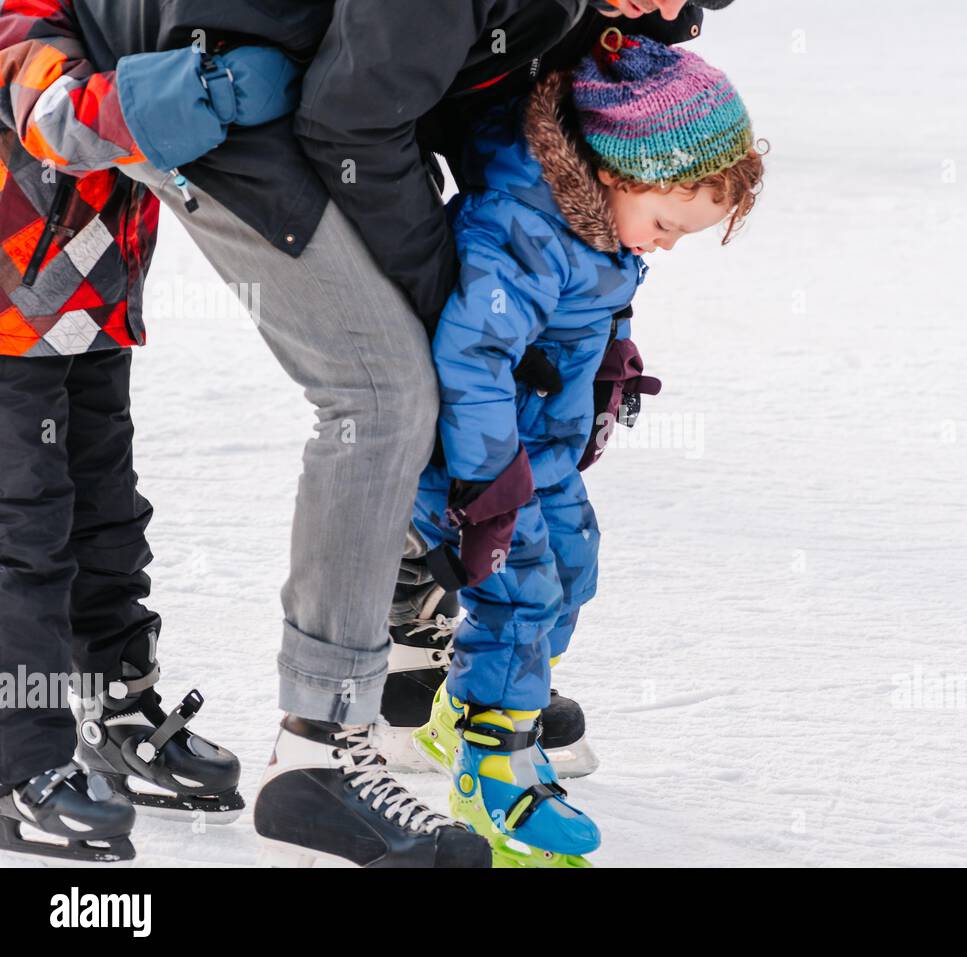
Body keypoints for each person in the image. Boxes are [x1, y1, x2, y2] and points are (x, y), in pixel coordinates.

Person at [0, 0, 729, 868]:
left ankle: (410, 656)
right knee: (384, 393)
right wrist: (450, 307)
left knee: (445, 360)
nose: (667, 10)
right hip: (206, 84)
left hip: (275, 82)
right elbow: (354, 116)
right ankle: (316, 746)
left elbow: (463, 92)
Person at [393, 32, 762, 867]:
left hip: (543, 448)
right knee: (520, 596)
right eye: (666, 224)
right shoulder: (522, 228)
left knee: (574, 564)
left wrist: (612, 360)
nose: (662, 244)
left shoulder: (605, 228)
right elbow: (472, 357)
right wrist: (485, 482)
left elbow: (603, 300)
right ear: (614, 171)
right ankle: (496, 764)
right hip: (483, 462)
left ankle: (471, 708)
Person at [0, 15, 298, 861]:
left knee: (108, 517)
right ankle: (19, 761)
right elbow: (64, 122)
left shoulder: (117, 19)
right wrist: (213, 88)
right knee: (25, 539)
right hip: (11, 327)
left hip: (92, 315)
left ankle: (119, 707)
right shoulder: (27, 24)